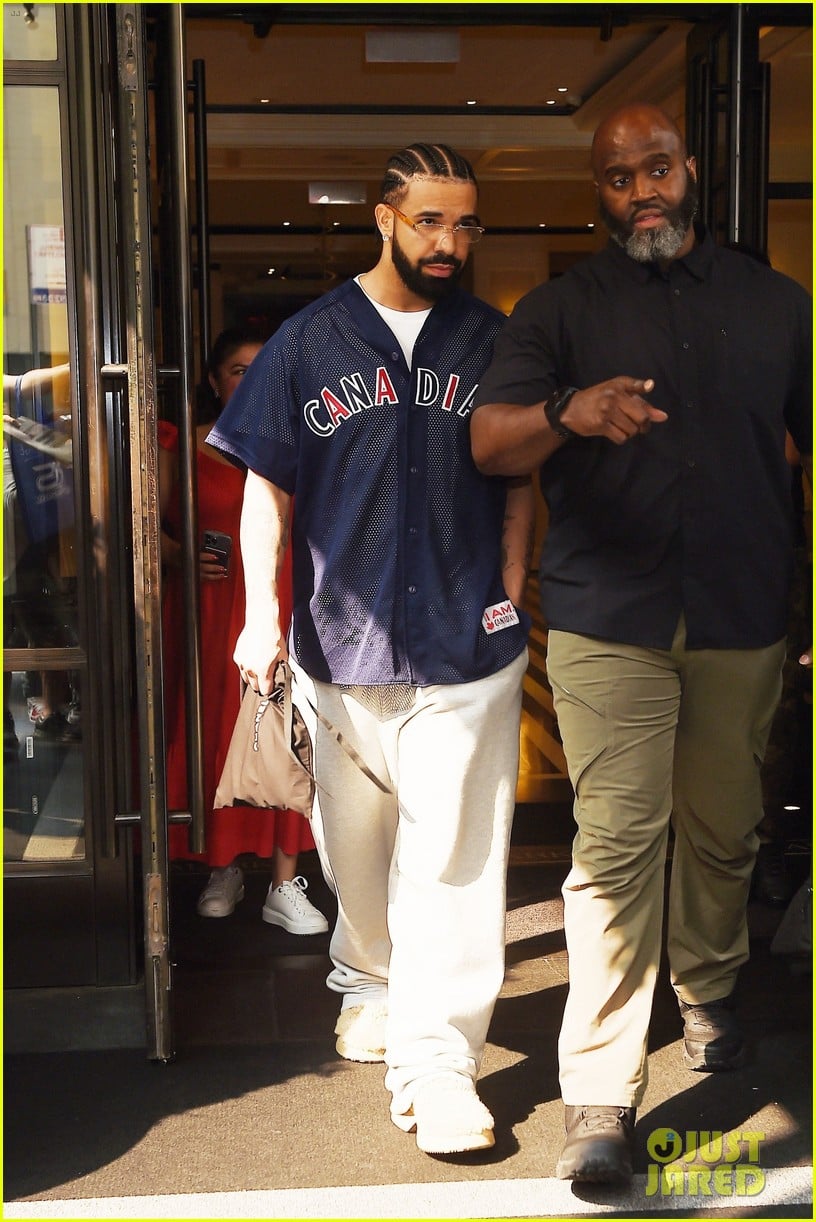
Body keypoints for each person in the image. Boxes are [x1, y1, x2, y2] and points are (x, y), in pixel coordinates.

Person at [470, 103, 812, 1184]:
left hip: (742, 608)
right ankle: (602, 1086)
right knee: (616, 845)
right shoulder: (562, 310)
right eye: (618, 180)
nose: (641, 192)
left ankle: (707, 988)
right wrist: (569, 413)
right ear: (602, 193)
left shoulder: (778, 306)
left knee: (722, 830)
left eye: (655, 169)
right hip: (609, 617)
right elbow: (488, 440)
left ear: (689, 169)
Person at [207, 143, 533, 1155]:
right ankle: (373, 977)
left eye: (467, 222)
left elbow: (524, 473)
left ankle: (437, 1066)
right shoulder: (310, 341)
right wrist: (262, 614)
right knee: (359, 855)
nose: (451, 241)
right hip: (337, 646)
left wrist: (513, 594)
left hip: (464, 640)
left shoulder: (492, 339)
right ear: (384, 218)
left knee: (454, 863)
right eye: (431, 220)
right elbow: (266, 483)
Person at [158, 327, 328, 935]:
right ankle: (221, 867)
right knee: (215, 734)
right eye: (236, 369)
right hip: (208, 613)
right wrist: (176, 554)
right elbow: (135, 523)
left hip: (286, 605)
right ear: (213, 380)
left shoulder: (304, 440)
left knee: (288, 732)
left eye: (260, 368)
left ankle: (284, 881)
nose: (249, 378)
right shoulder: (185, 442)